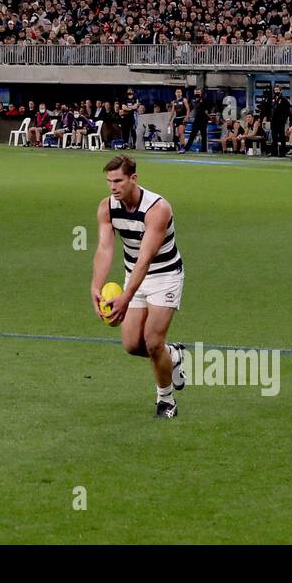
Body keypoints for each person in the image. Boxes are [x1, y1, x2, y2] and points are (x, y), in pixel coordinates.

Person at [90, 155, 187, 420]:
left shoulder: (158, 208)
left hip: (164, 275)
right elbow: (105, 248)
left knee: (153, 342)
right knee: (133, 345)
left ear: (133, 178)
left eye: (118, 180)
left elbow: (145, 258)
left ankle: (166, 400)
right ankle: (175, 356)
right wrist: (95, 286)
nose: (113, 187)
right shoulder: (106, 208)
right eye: (109, 181)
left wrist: (125, 297)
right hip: (134, 275)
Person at [182, 89, 212, 154]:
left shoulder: (204, 100)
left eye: (198, 92)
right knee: (192, 134)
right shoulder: (192, 100)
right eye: (195, 92)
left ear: (200, 93)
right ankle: (186, 148)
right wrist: (186, 116)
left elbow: (206, 111)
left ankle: (204, 150)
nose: (196, 93)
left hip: (203, 119)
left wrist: (209, 117)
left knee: (203, 135)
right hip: (196, 119)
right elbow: (189, 108)